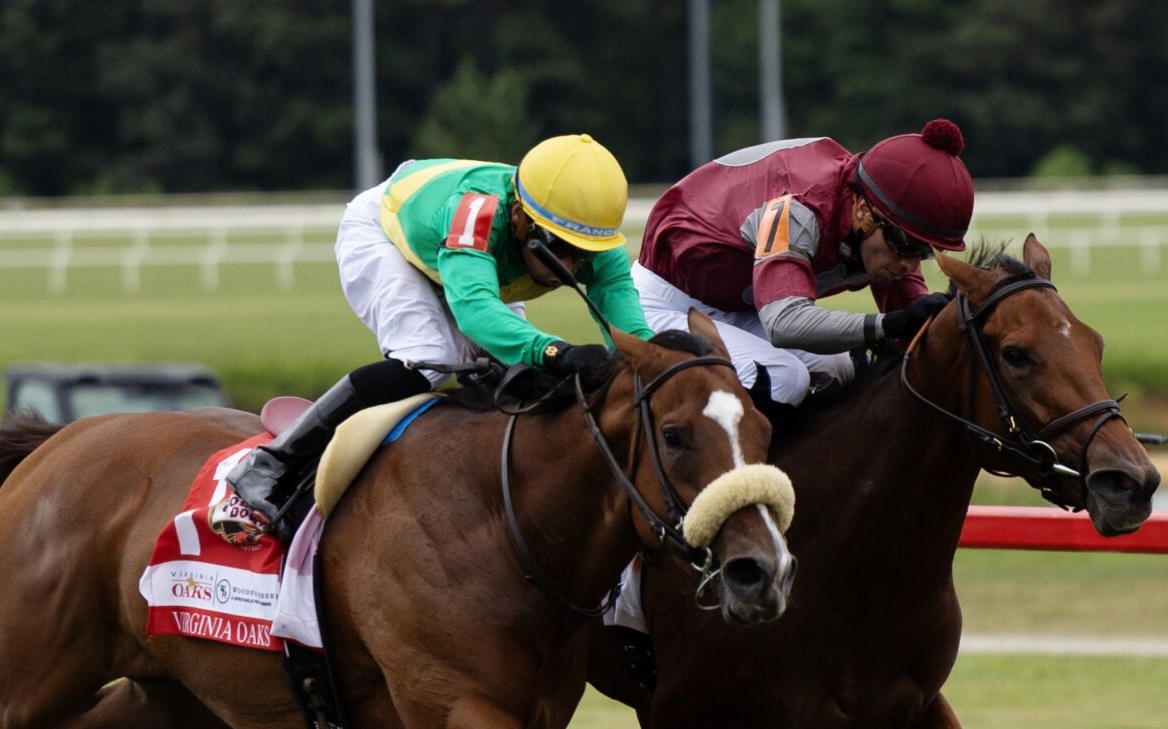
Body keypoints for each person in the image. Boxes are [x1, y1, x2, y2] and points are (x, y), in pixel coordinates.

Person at [229, 133, 654, 539]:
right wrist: (556, 350)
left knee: (517, 371)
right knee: (427, 357)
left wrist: (655, 362)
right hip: (387, 229)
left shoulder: (593, 239)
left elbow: (629, 328)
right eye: (560, 248)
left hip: (468, 256)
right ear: (522, 219)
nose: (573, 265)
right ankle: (273, 464)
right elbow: (476, 312)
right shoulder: (478, 216)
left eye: (584, 254)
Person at [633, 119, 975, 419]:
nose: (909, 264)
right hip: (664, 302)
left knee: (840, 367)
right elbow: (784, 323)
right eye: (905, 245)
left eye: (924, 252)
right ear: (863, 213)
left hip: (735, 306)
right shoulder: (799, 208)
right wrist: (888, 325)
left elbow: (915, 330)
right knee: (786, 378)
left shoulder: (877, 220)